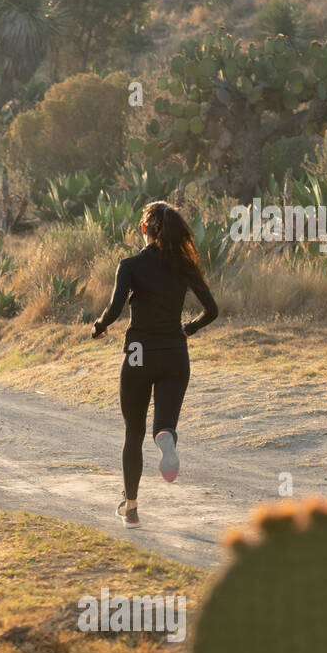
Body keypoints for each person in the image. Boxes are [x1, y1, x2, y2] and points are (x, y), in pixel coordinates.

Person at [90, 201, 219, 528]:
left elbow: (115, 309)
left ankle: (131, 508)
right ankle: (166, 440)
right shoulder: (185, 265)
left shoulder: (130, 265)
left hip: (138, 352)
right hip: (175, 352)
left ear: (145, 229)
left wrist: (99, 326)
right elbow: (212, 310)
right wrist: (188, 329)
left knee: (133, 433)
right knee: (164, 425)